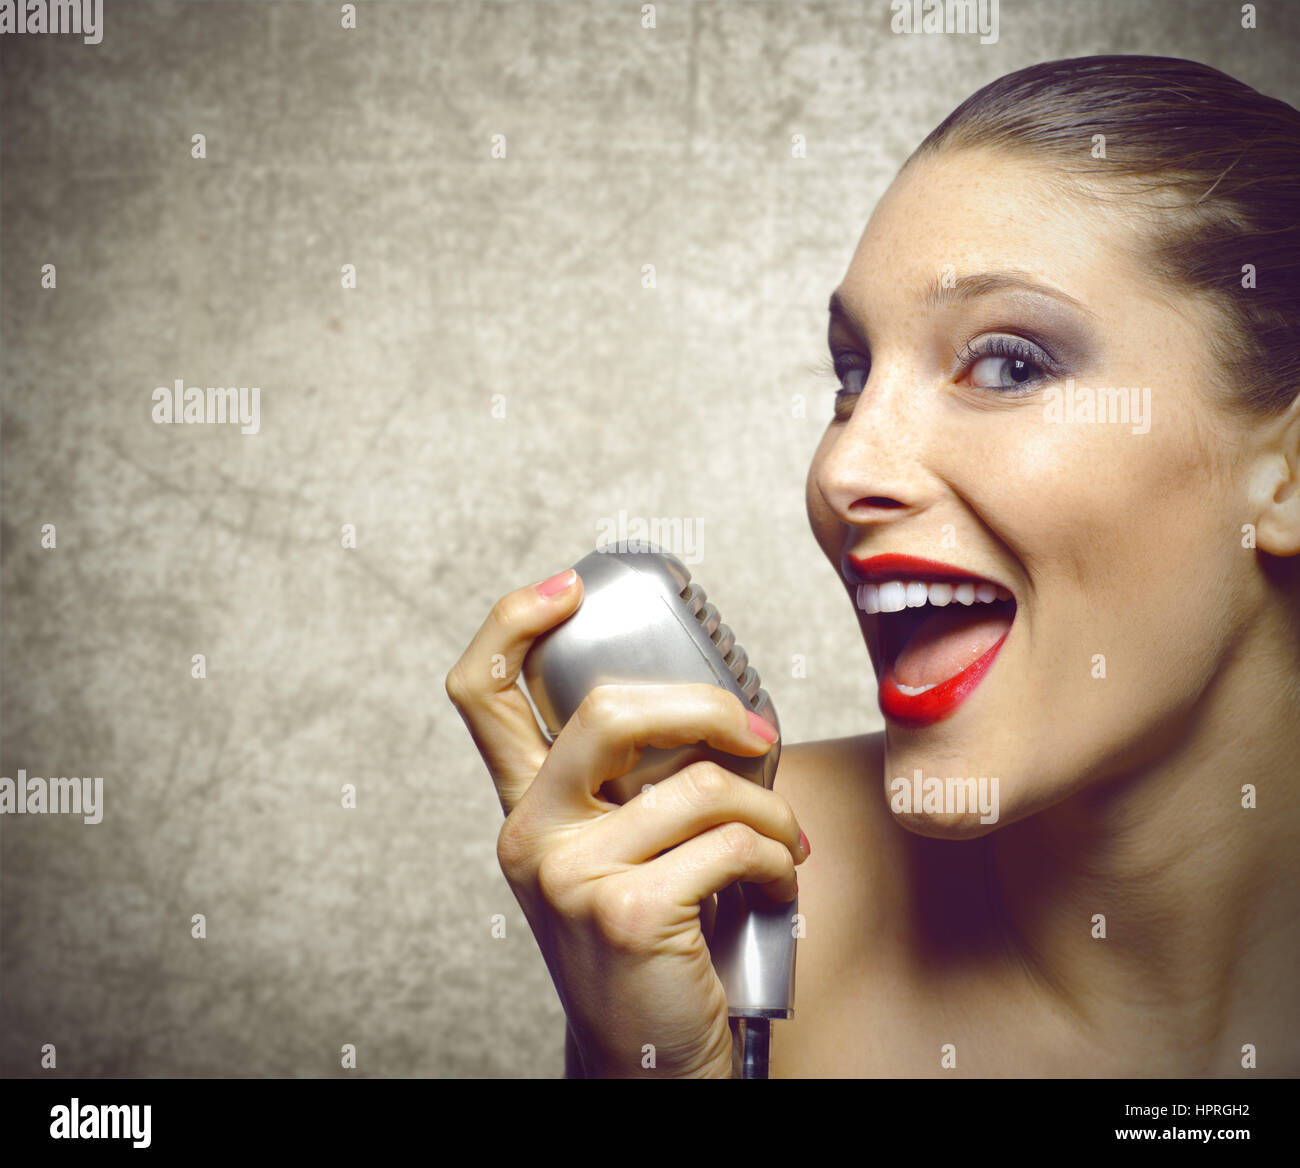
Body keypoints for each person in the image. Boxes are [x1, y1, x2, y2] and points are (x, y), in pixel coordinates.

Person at [446, 55, 1300, 1077]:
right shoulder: (731, 893)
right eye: (851, 376)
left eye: (1008, 364)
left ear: (1285, 475)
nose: (843, 468)